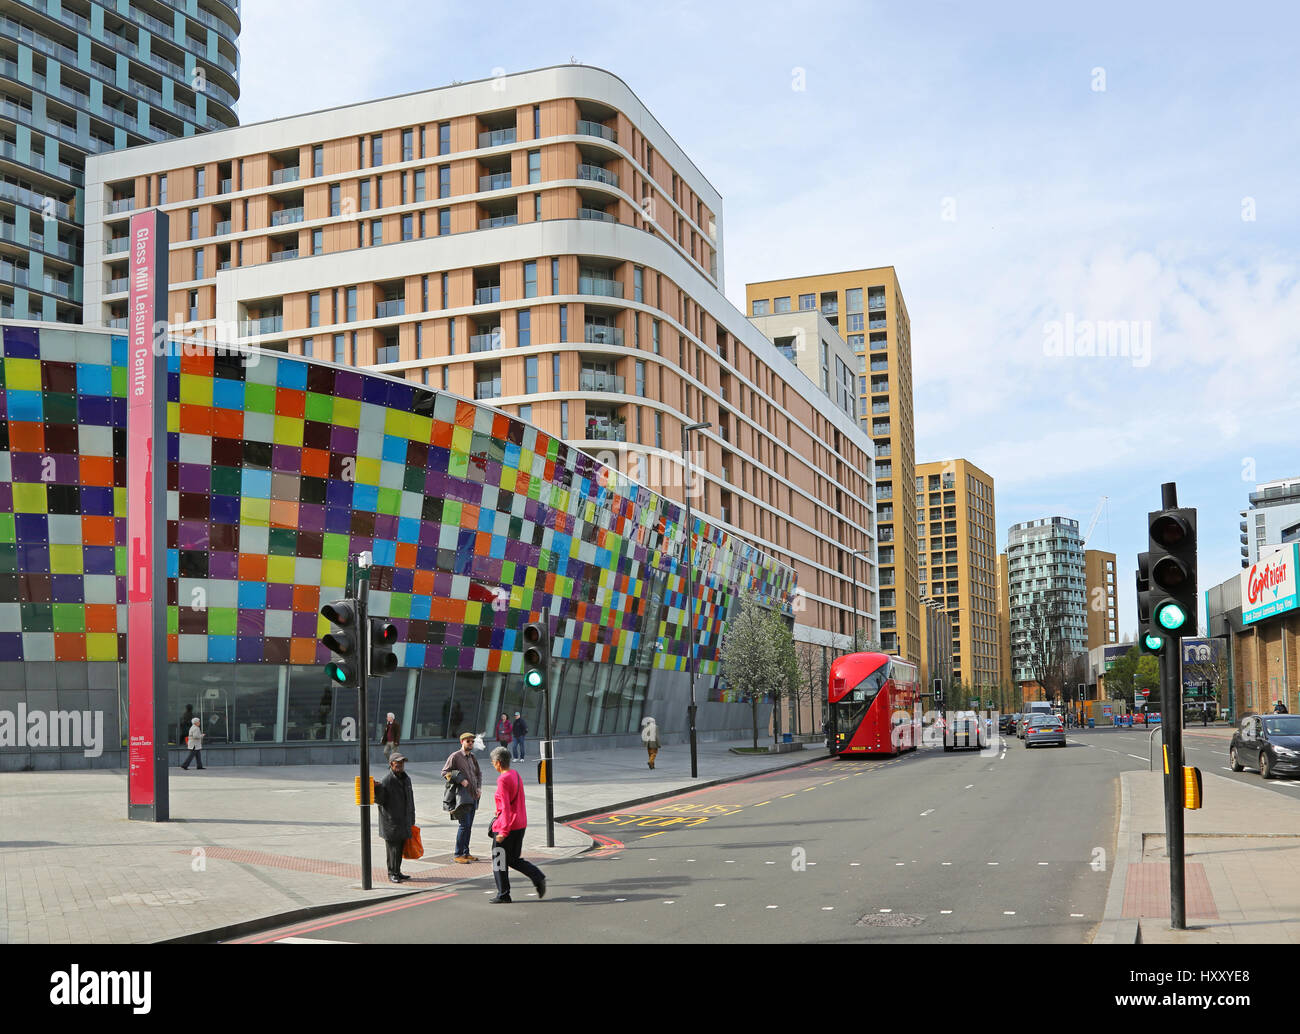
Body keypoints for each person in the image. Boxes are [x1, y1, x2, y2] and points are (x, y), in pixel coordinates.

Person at [487, 746, 546, 903]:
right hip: (520, 823)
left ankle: (503, 894)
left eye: (493, 762)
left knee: (499, 860)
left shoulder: (503, 779)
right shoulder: (515, 774)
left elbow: (506, 806)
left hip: (507, 826)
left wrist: (503, 832)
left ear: (499, 762)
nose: (493, 764)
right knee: (512, 858)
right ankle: (537, 876)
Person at [373, 753, 416, 883]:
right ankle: (392, 873)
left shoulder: (406, 779)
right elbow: (380, 801)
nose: (400, 765)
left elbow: (410, 799)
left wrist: (412, 817)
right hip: (391, 823)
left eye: (402, 762)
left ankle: (398, 871)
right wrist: (377, 789)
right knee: (392, 850)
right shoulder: (387, 781)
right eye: (397, 763)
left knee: (400, 848)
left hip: (404, 820)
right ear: (391, 764)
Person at [442, 732, 482, 863]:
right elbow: (445, 772)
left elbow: (478, 773)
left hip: (473, 796)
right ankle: (458, 854)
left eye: (472, 741)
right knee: (464, 825)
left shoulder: (472, 757)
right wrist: (460, 779)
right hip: (462, 797)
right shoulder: (455, 756)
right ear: (462, 742)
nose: (470, 743)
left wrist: (479, 787)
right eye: (468, 741)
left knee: (469, 826)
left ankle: (466, 852)